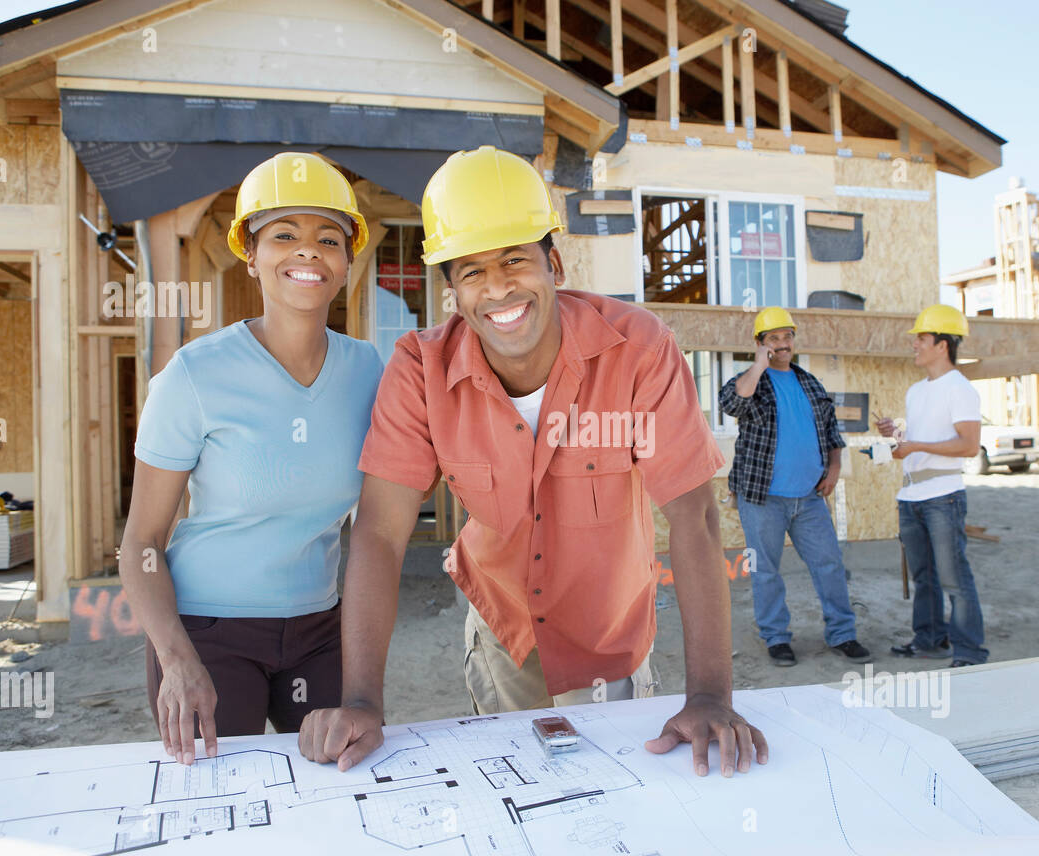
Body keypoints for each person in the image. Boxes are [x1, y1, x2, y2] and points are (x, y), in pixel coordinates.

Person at [298, 145, 768, 778]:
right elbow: (380, 533)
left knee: (621, 797)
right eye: (471, 272)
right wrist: (360, 702)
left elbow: (694, 518)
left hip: (612, 639)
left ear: (555, 263)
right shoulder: (419, 370)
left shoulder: (639, 351)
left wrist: (709, 695)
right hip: (504, 633)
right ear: (453, 292)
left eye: (514, 259)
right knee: (518, 795)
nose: (497, 289)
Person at [120, 152, 385, 765]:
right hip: (208, 633)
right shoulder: (194, 375)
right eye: (284, 235)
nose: (308, 251)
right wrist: (176, 657)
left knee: (338, 786)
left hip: (320, 628)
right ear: (252, 254)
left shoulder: (370, 371)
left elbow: (394, 500)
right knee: (218, 809)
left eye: (329, 238)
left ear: (347, 260)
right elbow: (141, 540)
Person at [718, 307, 867, 667]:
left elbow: (832, 434)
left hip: (809, 498)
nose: (783, 344)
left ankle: (843, 633)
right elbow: (732, 404)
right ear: (760, 344)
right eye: (774, 339)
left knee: (829, 564)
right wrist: (759, 364)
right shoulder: (750, 381)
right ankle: (776, 637)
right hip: (762, 498)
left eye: (787, 337)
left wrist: (833, 468)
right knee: (765, 570)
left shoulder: (810, 382)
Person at [874, 304, 989, 667]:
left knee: (954, 577)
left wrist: (918, 445)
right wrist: (897, 435)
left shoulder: (961, 389)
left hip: (943, 496)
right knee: (925, 576)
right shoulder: (915, 391)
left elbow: (969, 446)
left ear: (943, 345)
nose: (915, 345)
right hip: (910, 494)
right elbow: (918, 441)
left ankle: (970, 652)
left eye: (921, 338)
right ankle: (930, 639)